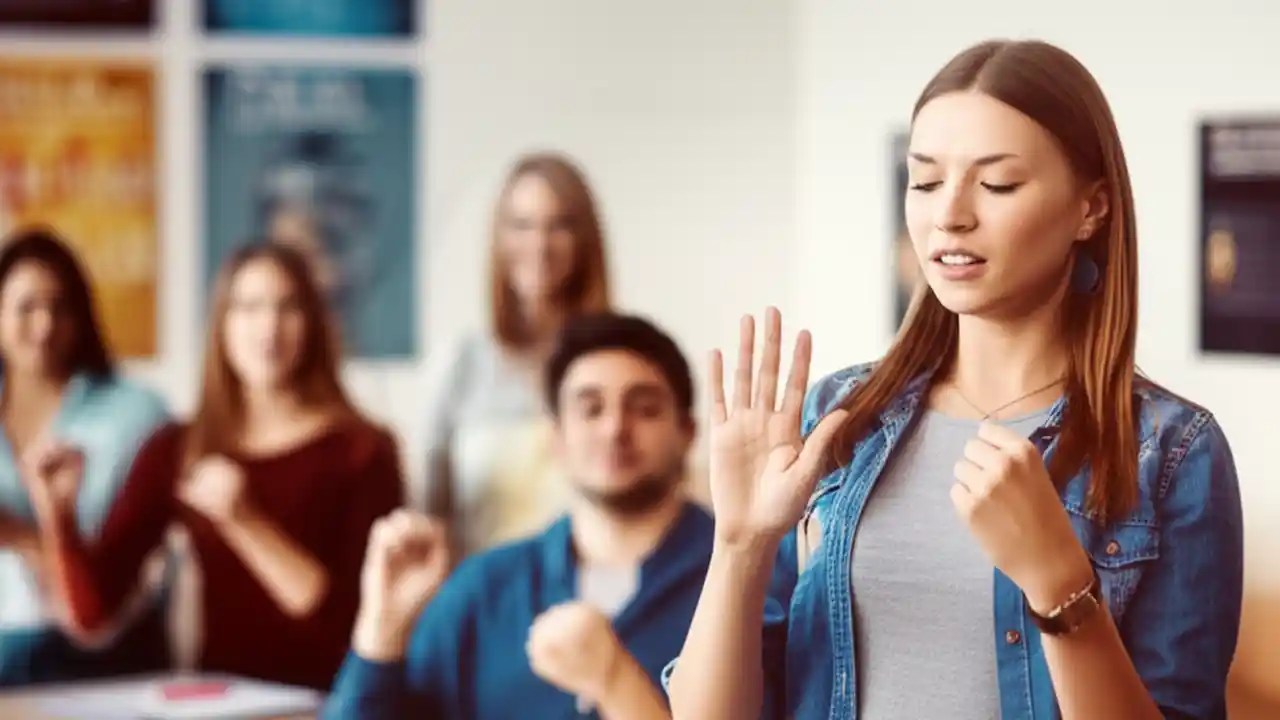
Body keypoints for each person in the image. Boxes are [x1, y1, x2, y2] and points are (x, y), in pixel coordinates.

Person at [667, 39, 1244, 720]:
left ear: (1091, 209)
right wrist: (741, 544)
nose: (950, 214)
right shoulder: (839, 418)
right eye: (925, 180)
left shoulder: (1173, 452)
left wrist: (1059, 584)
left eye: (996, 183)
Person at [23, 244, 404, 690]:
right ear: (221, 325)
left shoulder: (364, 451)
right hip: (224, 703)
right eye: (248, 308)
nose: (269, 327)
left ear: (315, 324)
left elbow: (354, 622)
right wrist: (59, 517)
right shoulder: (178, 449)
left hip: (331, 701)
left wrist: (244, 521)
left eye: (289, 307)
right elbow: (95, 614)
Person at [325, 313, 711, 719]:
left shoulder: (749, 581)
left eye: (645, 409)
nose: (615, 428)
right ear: (555, 437)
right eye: (590, 409)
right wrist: (382, 628)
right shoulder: (483, 588)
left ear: (688, 432)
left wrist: (615, 682)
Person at [0, 227, 170, 685]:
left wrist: (24, 536)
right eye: (26, 307)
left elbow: (121, 574)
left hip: (101, 644)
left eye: (60, 306)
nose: (44, 326)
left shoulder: (136, 416)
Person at [422, 152, 612, 557]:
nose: (540, 244)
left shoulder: (618, 362)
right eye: (522, 225)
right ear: (499, 238)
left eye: (560, 225)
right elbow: (432, 514)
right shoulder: (462, 364)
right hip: (482, 603)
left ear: (585, 240)